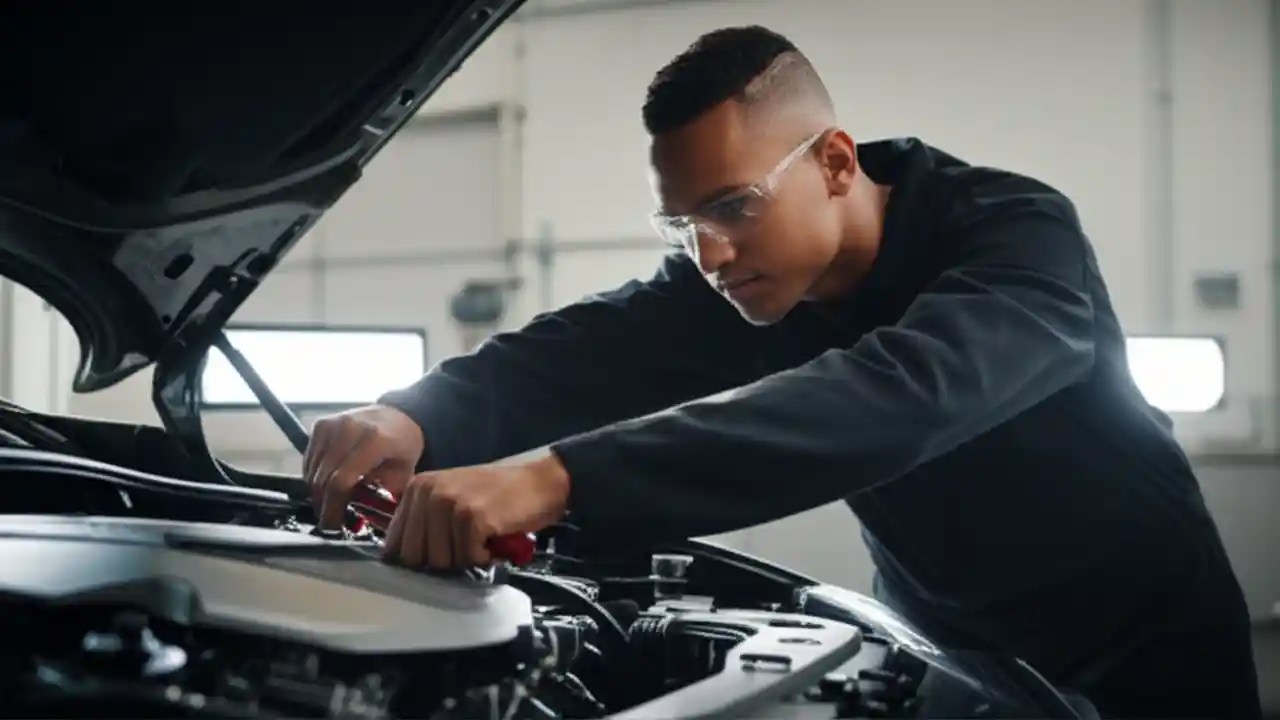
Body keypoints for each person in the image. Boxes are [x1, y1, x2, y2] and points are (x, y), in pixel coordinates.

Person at [303, 26, 1261, 718]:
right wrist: (412, 415)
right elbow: (588, 348)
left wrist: (554, 478)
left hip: (1146, 655)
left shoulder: (1016, 235)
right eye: (684, 226)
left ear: (837, 162)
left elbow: (901, 394)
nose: (711, 256)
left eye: (734, 207)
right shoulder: (748, 281)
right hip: (943, 645)